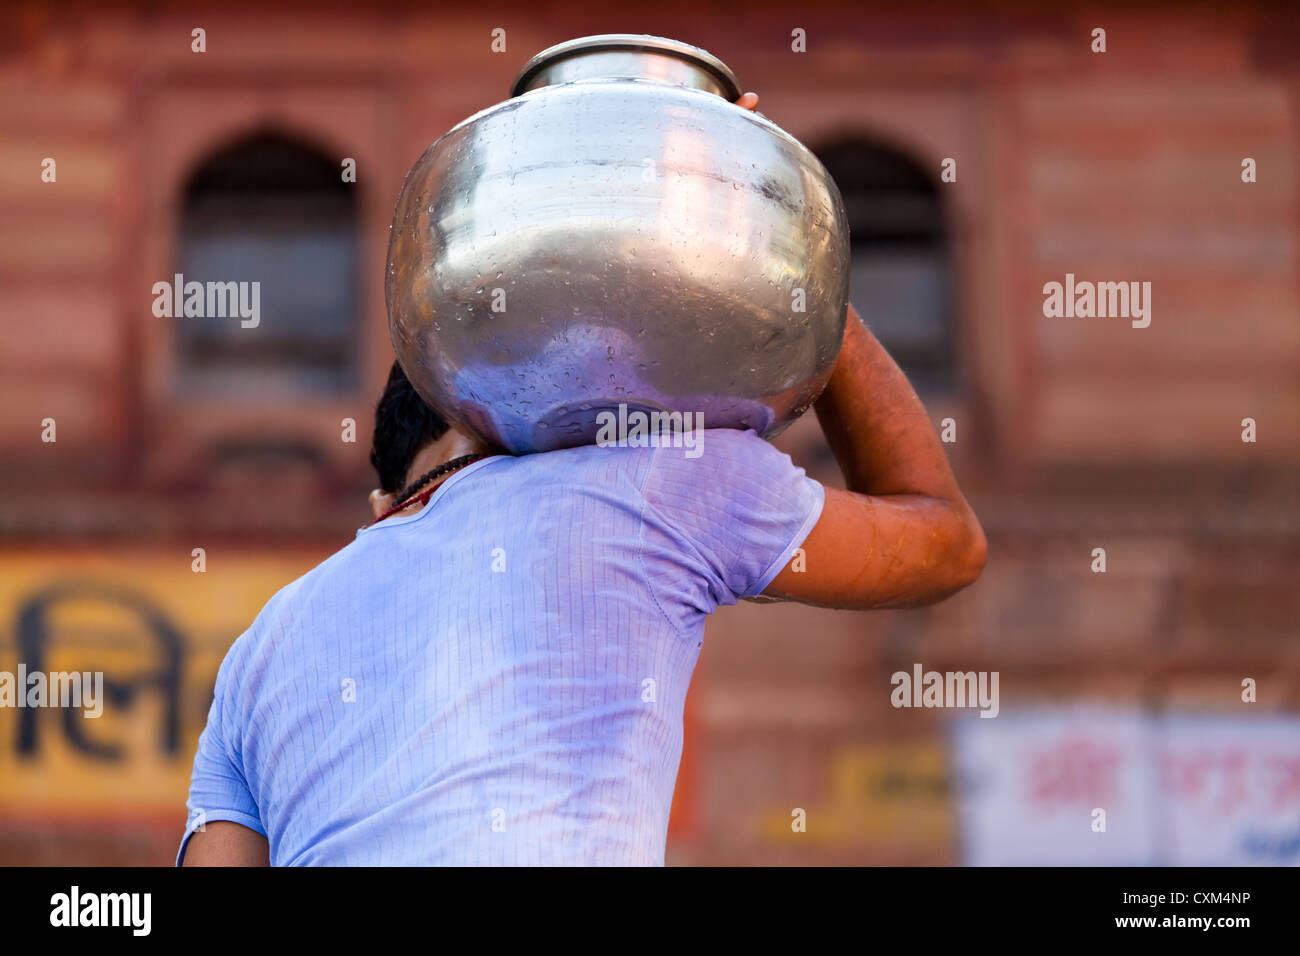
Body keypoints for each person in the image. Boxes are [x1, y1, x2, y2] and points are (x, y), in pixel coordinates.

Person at [179, 94, 986, 867]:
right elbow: (945, 541)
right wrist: (784, 244)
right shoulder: (655, 481)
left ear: (386, 504)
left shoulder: (262, 647)